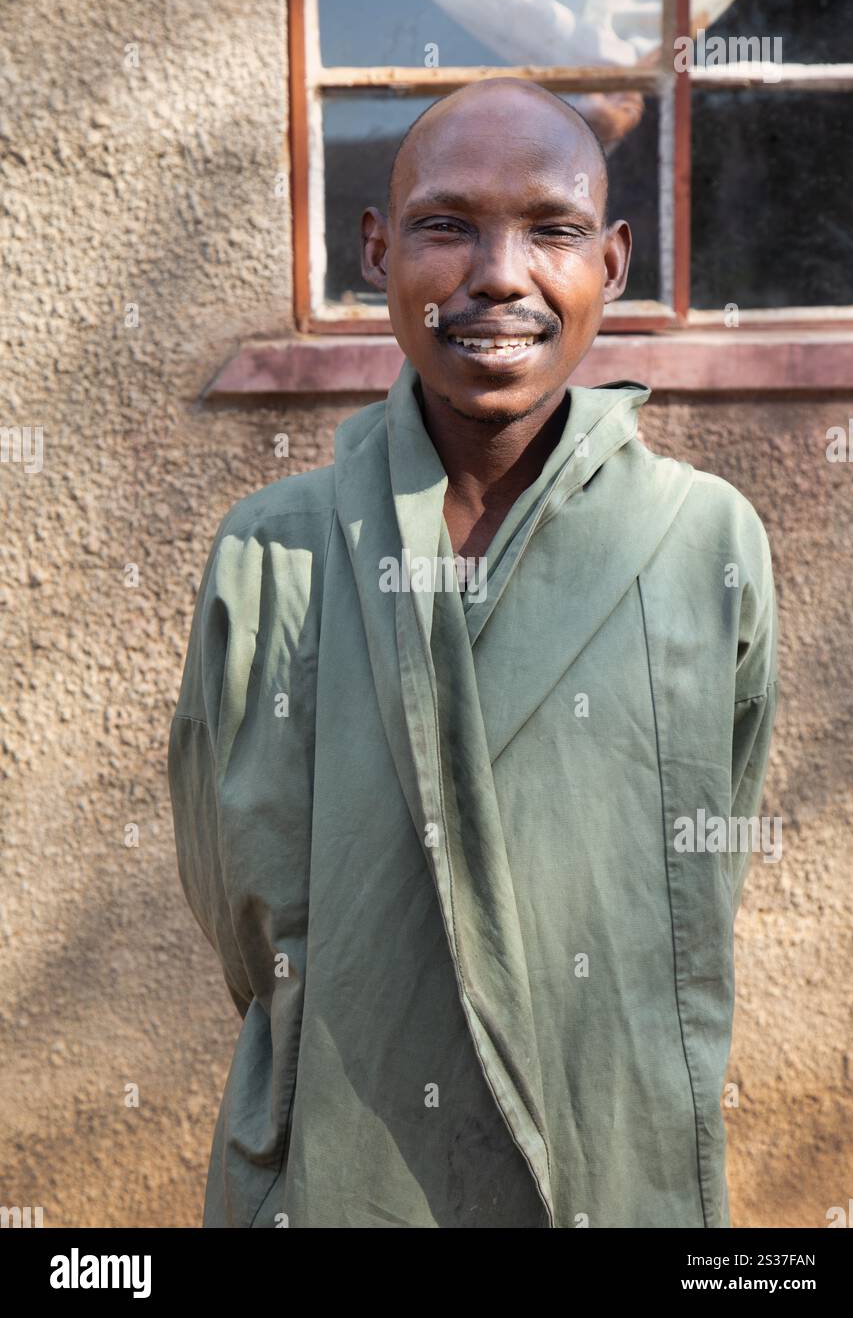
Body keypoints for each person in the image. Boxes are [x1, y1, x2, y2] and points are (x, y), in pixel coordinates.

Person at [168, 78, 779, 1228]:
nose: (498, 273)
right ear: (374, 249)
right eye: (446, 225)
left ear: (612, 259)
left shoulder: (704, 543)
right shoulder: (276, 554)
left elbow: (701, 863)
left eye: (550, 229)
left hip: (616, 1148)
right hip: (341, 1154)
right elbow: (239, 905)